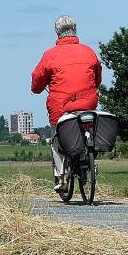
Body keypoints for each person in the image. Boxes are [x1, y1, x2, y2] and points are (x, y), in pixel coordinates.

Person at [31, 15, 103, 191]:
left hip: (61, 105)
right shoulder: (89, 51)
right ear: (75, 30)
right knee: (88, 125)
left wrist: (37, 88)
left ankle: (62, 179)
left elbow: (37, 82)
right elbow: (98, 78)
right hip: (88, 102)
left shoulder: (50, 55)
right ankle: (89, 152)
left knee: (56, 138)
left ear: (57, 33)